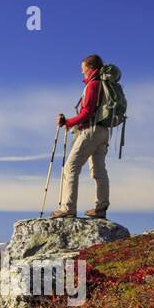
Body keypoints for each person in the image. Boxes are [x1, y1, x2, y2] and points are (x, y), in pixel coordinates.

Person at [51, 54, 110, 219]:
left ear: (90, 68)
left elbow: (87, 112)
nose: (81, 71)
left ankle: (68, 208)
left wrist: (67, 122)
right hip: (104, 131)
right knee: (99, 170)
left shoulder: (93, 85)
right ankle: (101, 208)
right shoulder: (104, 85)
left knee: (71, 167)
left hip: (91, 131)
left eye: (83, 68)